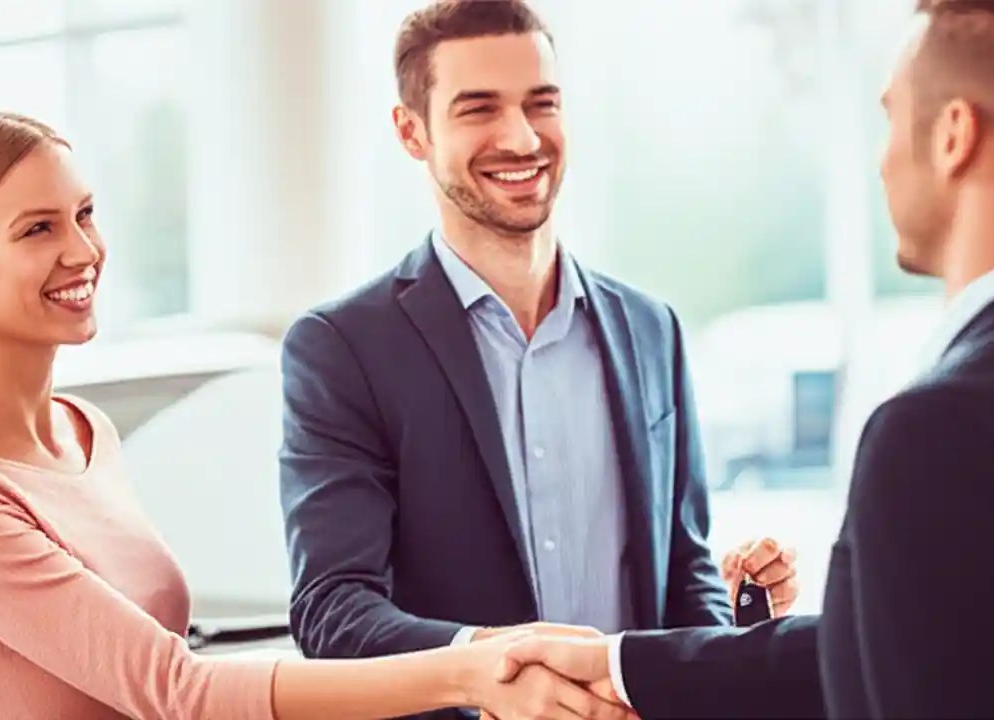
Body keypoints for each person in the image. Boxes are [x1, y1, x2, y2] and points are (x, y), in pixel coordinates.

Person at [0, 112, 639, 720]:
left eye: (86, 213)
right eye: (38, 228)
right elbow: (176, 691)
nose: (84, 250)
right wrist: (473, 668)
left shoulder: (83, 432)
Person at [494, 0, 994, 717]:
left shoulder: (944, 432)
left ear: (954, 135)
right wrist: (624, 664)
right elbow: (927, 639)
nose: (883, 161)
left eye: (891, 117)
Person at [279, 3, 800, 713]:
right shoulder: (343, 348)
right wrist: (493, 666)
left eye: (541, 103)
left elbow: (684, 572)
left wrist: (740, 630)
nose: (521, 137)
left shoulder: (652, 330)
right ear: (412, 132)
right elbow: (333, 612)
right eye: (479, 109)